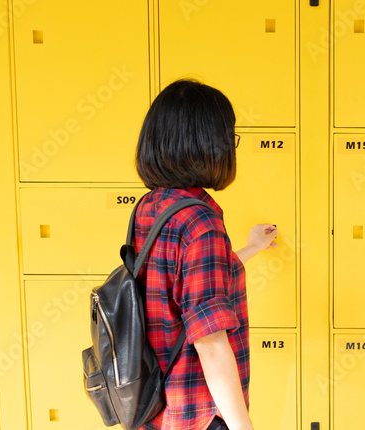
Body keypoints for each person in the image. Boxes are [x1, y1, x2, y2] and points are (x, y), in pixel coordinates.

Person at [133, 79, 278, 430]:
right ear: (208, 144)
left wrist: (251, 248)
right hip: (199, 414)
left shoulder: (153, 207)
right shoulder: (200, 221)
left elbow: (186, 289)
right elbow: (210, 343)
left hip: (157, 406)